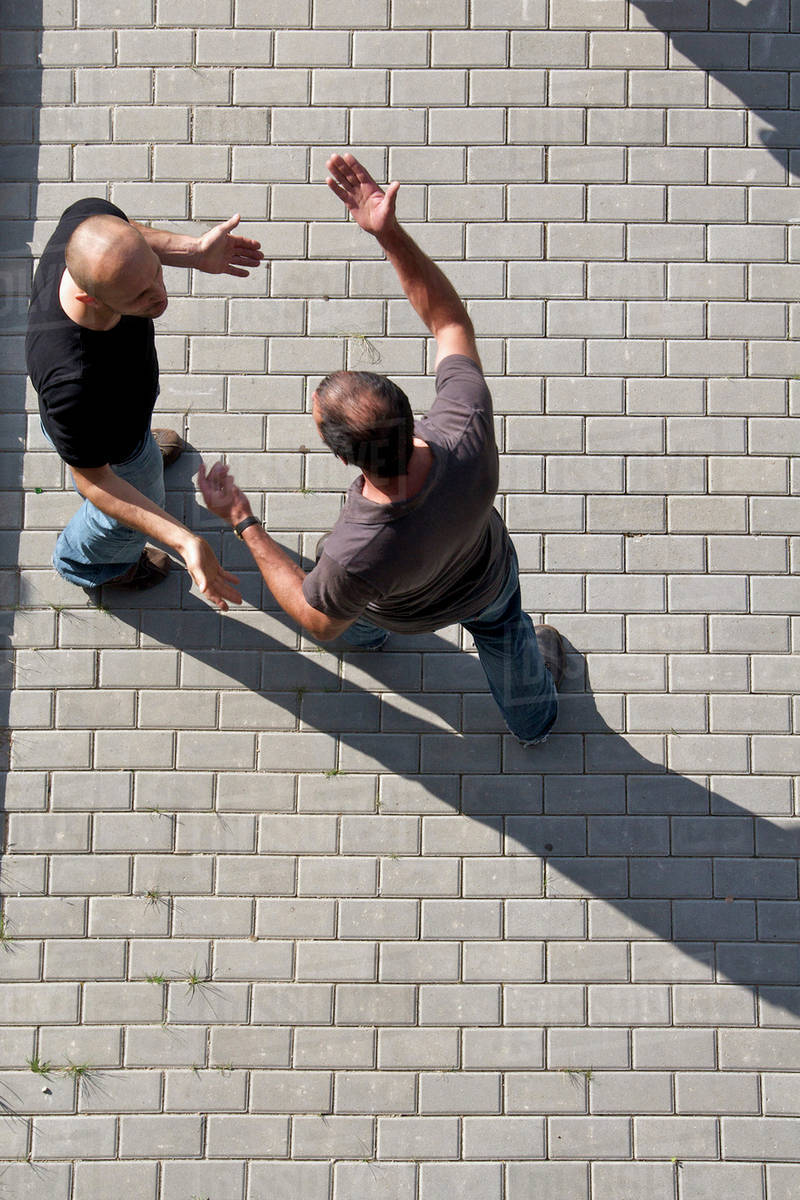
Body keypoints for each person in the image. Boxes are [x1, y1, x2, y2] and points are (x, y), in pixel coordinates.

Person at [199, 153, 564, 744]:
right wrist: (387, 232)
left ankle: (366, 639)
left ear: (344, 458)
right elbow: (449, 322)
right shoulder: (463, 424)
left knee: (346, 608)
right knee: (505, 636)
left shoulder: (353, 553)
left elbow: (317, 617)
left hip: (394, 605)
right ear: (408, 409)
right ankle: (536, 721)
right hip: (485, 576)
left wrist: (243, 522)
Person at [26, 197, 263, 608]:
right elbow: (93, 480)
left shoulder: (87, 218)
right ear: (91, 299)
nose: (160, 297)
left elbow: (129, 234)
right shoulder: (72, 382)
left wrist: (193, 252)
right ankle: (86, 563)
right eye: (140, 296)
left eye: (156, 274)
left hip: (113, 417)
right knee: (130, 510)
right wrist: (184, 540)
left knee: (141, 458)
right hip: (101, 440)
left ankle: (140, 449)